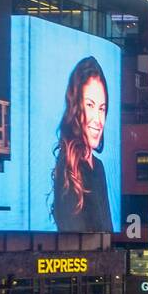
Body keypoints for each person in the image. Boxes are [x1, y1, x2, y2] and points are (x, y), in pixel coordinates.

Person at [50, 57, 113, 232]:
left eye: (102, 108)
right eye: (90, 105)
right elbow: (71, 235)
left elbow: (107, 231)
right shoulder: (69, 166)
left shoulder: (98, 167)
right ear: (76, 108)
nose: (98, 120)